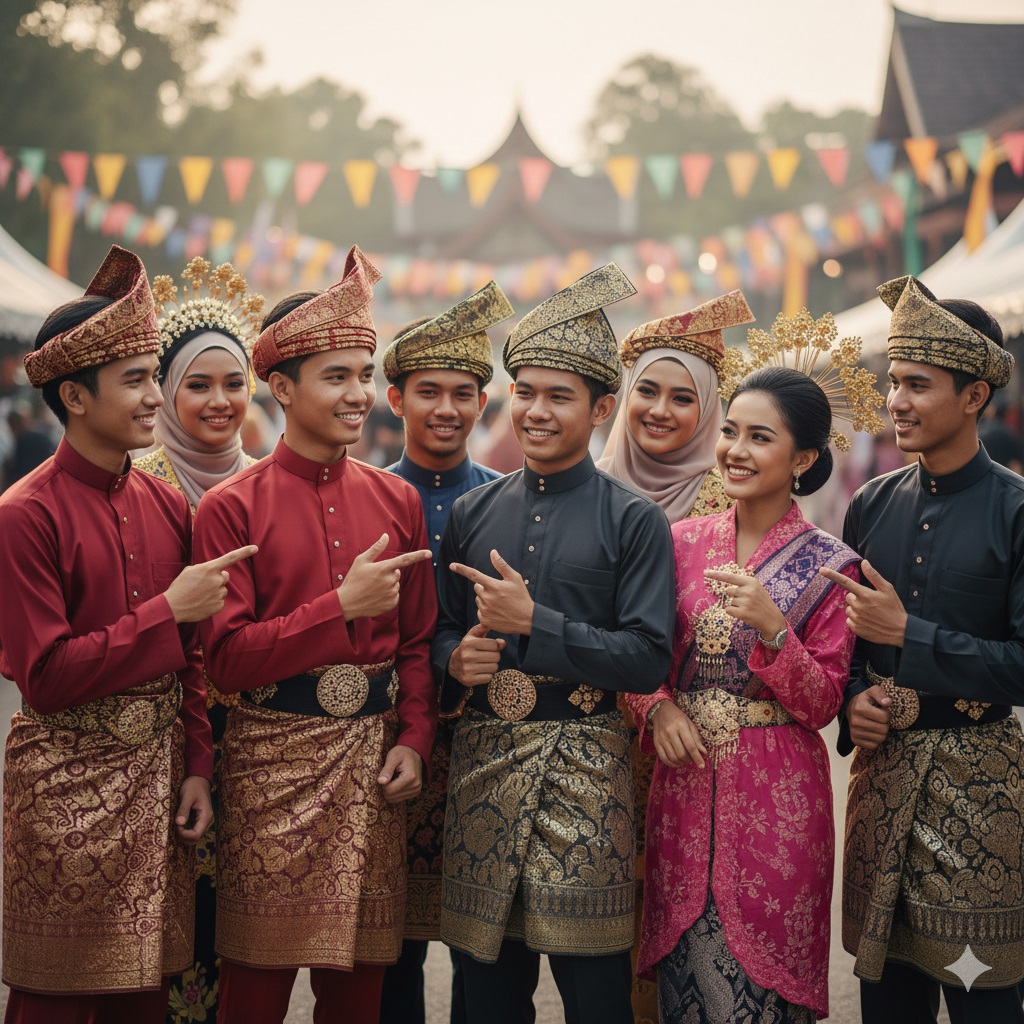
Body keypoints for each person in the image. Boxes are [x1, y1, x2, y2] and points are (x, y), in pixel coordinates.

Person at [0, 245, 252, 1024]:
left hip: (159, 780)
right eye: (138, 380)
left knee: (146, 991)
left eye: (153, 375)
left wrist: (199, 768)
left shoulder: (164, 504)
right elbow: (44, 676)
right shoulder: (24, 515)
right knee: (52, 993)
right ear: (75, 395)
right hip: (62, 785)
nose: (156, 398)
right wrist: (164, 611)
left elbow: (195, 664)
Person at [192, 245, 438, 1024]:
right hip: (269, 761)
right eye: (338, 377)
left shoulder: (396, 501)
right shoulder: (228, 509)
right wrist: (340, 603)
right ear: (282, 388)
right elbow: (225, 660)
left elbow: (417, 643)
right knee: (255, 990)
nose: (360, 394)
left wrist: (416, 737)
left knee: (358, 992)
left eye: (365, 375)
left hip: (372, 761)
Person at [432, 263, 676, 1024]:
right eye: (524, 392)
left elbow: (645, 657)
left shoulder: (634, 521)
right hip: (483, 763)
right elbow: (440, 626)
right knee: (487, 992)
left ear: (602, 407)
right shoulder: (473, 511)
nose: (535, 412)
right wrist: (455, 659)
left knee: (596, 992)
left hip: (587, 768)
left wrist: (537, 622)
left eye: (558, 396)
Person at [627, 352, 864, 1023]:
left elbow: (821, 703)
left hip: (780, 805)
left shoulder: (833, 565)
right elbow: (636, 658)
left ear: (803, 460)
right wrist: (656, 705)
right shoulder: (676, 543)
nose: (735, 449)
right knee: (685, 992)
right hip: (681, 791)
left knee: (763, 994)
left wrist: (771, 627)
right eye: (730, 431)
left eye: (760, 438)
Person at [825, 276, 1024, 1023]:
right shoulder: (871, 503)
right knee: (889, 1000)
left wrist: (912, 635)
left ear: (974, 396)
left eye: (917, 385)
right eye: (892, 383)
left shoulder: (1016, 511)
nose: (896, 402)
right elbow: (841, 644)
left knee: (985, 1002)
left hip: (983, 793)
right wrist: (853, 703)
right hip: (882, 788)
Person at [597, 291, 747, 1020]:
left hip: (693, 757)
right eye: (646, 391)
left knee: (684, 939)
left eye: (682, 398)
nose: (659, 409)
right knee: (592, 939)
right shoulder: (585, 490)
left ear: (710, 410)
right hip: (591, 745)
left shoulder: (735, 503)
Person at [379, 281, 513, 1024]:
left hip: (484, 750)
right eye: (428, 391)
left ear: (483, 406)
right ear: (395, 399)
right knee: (390, 943)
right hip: (389, 748)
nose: (447, 409)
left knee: (480, 943)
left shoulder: (511, 500)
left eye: (465, 393)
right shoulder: (368, 498)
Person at [135, 257, 264, 1024]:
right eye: (198, 385)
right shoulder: (137, 486)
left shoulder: (270, 483)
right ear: (166, 390)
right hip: (155, 741)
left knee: (238, 930)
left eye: (234, 383)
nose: (220, 402)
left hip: (254, 742)